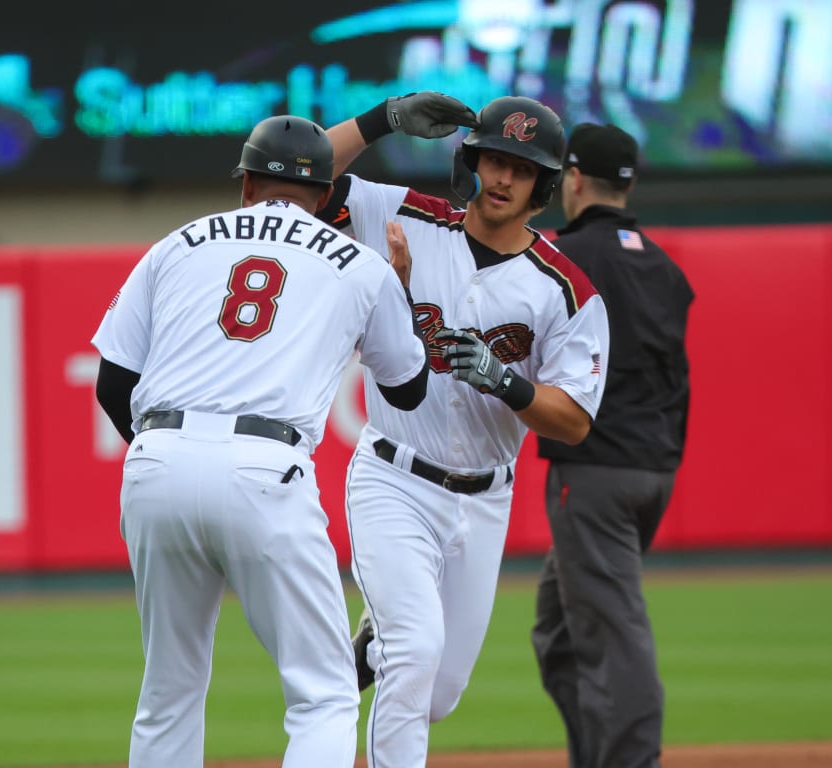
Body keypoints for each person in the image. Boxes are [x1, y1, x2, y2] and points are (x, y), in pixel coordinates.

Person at [89, 115, 430, 768]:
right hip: (266, 467)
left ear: (246, 182)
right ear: (328, 196)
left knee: (168, 689)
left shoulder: (177, 242)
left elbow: (112, 382)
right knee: (324, 694)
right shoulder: (360, 264)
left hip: (156, 458)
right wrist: (403, 290)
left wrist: (165, 455)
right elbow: (409, 388)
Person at [319, 93, 611, 767]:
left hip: (484, 498)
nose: (505, 178)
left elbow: (573, 421)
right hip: (395, 474)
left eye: (523, 168)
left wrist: (506, 381)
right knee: (416, 652)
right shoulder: (405, 216)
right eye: (495, 159)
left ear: (545, 183)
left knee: (436, 694)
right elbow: (292, 173)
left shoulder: (563, 288)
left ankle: (366, 648)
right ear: (471, 161)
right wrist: (381, 120)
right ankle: (377, 657)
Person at [533, 123, 694, 768]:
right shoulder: (663, 265)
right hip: (653, 467)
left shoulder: (565, 257)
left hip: (595, 472)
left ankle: (631, 761)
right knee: (560, 630)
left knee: (612, 630)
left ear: (572, 178)